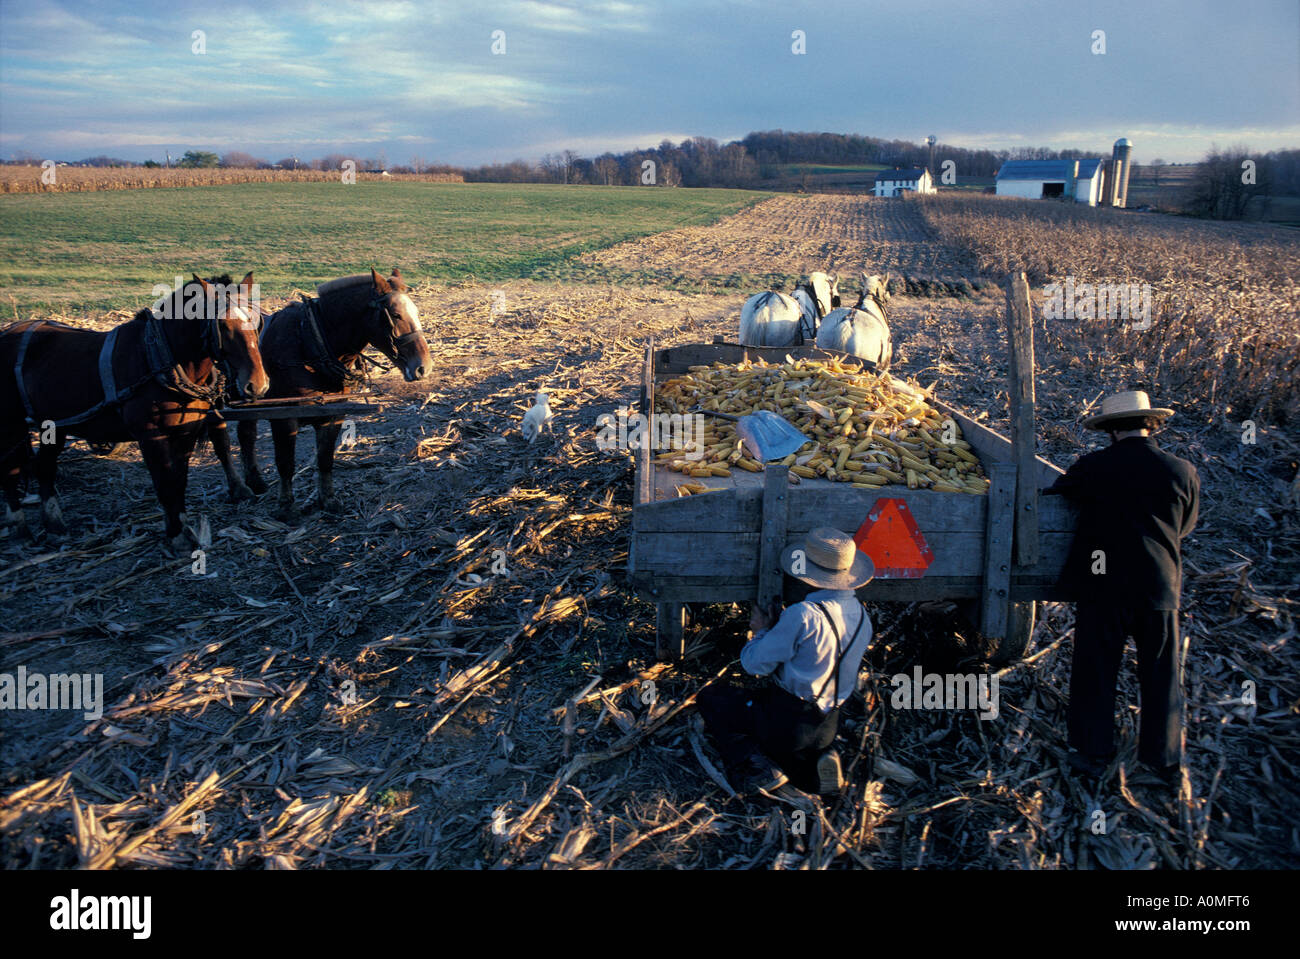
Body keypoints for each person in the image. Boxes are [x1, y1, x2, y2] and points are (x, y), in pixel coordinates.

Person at [1049, 391, 1200, 786]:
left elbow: (1056, 497)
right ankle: (1163, 759)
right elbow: (1184, 527)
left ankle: (1091, 752)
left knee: (1095, 668)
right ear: (1152, 425)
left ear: (1111, 431)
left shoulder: (1094, 467)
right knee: (1162, 672)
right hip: (1159, 585)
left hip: (1104, 585)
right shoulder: (1182, 470)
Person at [697, 527, 874, 795]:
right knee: (794, 755)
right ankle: (815, 767)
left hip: (789, 719)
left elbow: (754, 665)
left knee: (712, 699)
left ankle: (756, 767)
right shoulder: (863, 618)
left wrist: (761, 631)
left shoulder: (804, 615)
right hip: (828, 723)